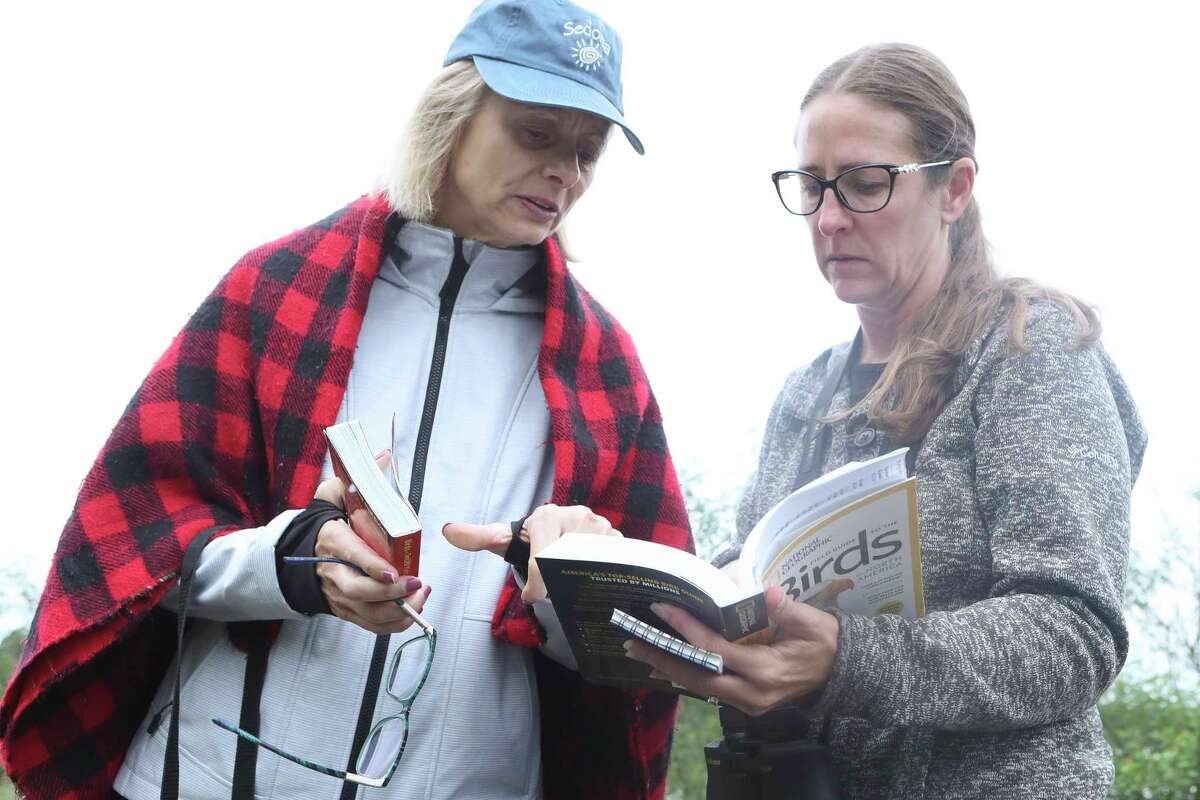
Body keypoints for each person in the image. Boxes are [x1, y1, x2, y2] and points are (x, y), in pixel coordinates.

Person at [0, 2, 692, 798]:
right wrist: (293, 564)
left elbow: (647, 654)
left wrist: (574, 589)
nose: (565, 173)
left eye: (588, 152)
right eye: (537, 133)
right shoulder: (274, 291)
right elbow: (135, 553)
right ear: (453, 115)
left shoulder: (606, 370)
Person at [623, 43, 1146, 799]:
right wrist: (620, 578)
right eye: (811, 187)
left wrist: (845, 657)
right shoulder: (807, 394)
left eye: (866, 185)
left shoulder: (1028, 350)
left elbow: (1074, 633)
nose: (830, 219)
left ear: (955, 188)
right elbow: (748, 597)